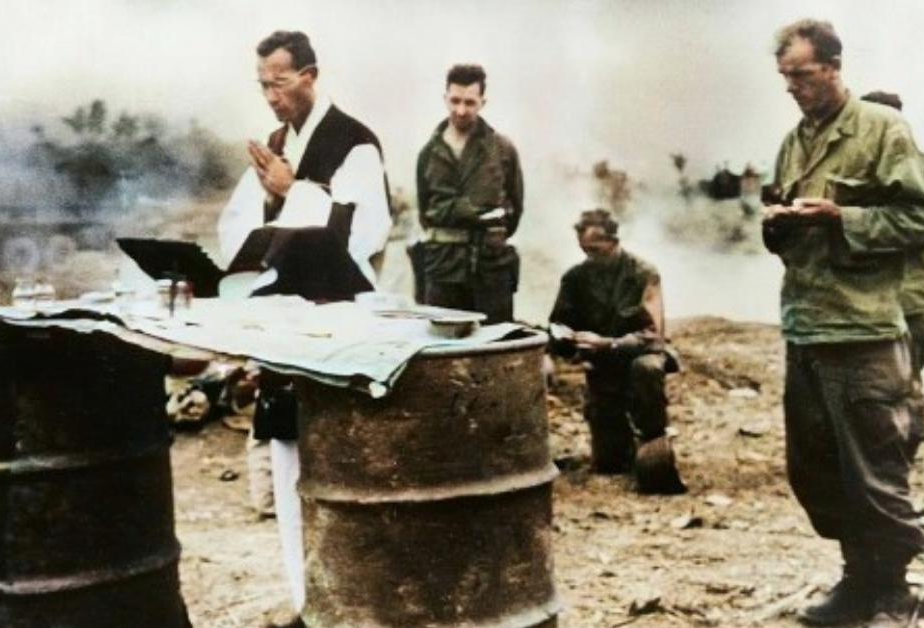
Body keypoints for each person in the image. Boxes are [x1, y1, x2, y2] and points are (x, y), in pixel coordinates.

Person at [762, 19, 924, 626]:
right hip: (806, 326)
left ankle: (888, 588)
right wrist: (777, 226)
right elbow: (784, 230)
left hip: (862, 331)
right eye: (785, 77)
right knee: (814, 467)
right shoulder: (793, 141)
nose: (792, 88)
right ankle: (857, 576)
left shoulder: (881, 129)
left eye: (802, 75)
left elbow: (920, 220)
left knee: (874, 469)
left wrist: (843, 216)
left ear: (834, 67)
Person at [216, 30, 391, 628]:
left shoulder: (355, 143)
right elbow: (237, 229)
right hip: (286, 323)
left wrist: (295, 193)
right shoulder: (273, 145)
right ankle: (305, 599)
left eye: (280, 82)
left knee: (345, 463)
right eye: (262, 84)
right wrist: (269, 203)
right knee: (288, 454)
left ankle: (355, 601)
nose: (270, 96)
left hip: (341, 319)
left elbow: (364, 233)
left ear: (311, 75)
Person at [548, 208, 685, 494]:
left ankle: (654, 438)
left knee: (645, 369)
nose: (591, 256)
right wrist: (563, 338)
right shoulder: (575, 277)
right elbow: (559, 322)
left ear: (614, 241)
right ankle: (622, 443)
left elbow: (653, 336)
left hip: (639, 353)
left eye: (597, 249)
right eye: (585, 250)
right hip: (601, 362)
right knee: (610, 463)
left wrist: (609, 343)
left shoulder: (643, 273)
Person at [860, 90, 924, 460]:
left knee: (910, 365)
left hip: (908, 288)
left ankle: (909, 442)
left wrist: (874, 227)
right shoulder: (854, 169)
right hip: (863, 292)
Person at [415, 63, 524, 323]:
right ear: (445, 98)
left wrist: (488, 236)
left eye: (469, 102)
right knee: (444, 342)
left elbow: (515, 208)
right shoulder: (429, 153)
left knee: (495, 341)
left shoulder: (502, 149)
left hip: (491, 267)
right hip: (443, 267)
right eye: (454, 101)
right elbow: (424, 211)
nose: (461, 110)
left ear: (482, 102)